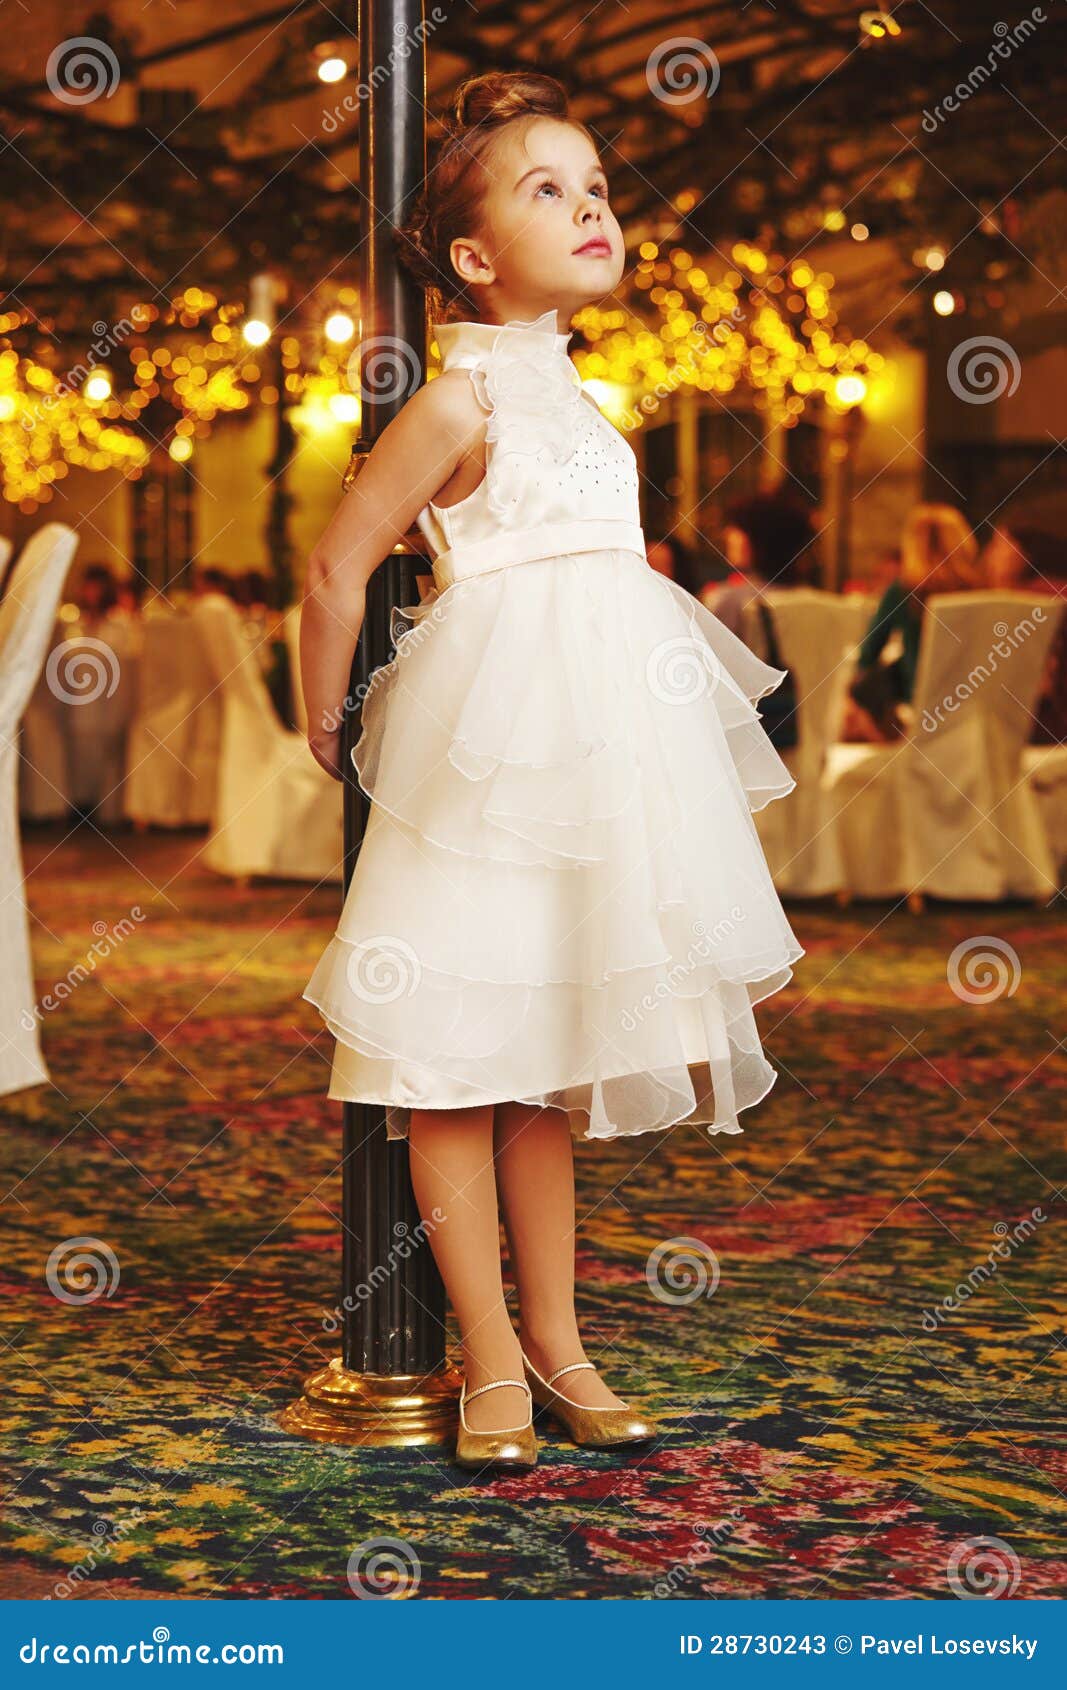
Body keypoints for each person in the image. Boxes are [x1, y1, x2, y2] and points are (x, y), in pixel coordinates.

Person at [298, 70, 802, 1472]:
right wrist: (322, 713)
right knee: (454, 1058)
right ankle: (485, 1354)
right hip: (480, 762)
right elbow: (337, 561)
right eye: (546, 191)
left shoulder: (580, 398)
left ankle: (561, 1343)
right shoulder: (458, 401)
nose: (589, 210)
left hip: (596, 762)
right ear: (469, 256)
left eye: (596, 191)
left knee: (546, 1070)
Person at [847, 502, 981, 741]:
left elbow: (867, 655)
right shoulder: (982, 591)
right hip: (976, 710)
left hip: (920, 710)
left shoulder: (903, 591)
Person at [705, 489, 818, 643]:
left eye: (737, 529)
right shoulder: (814, 600)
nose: (728, 535)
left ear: (759, 539)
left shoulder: (729, 601)